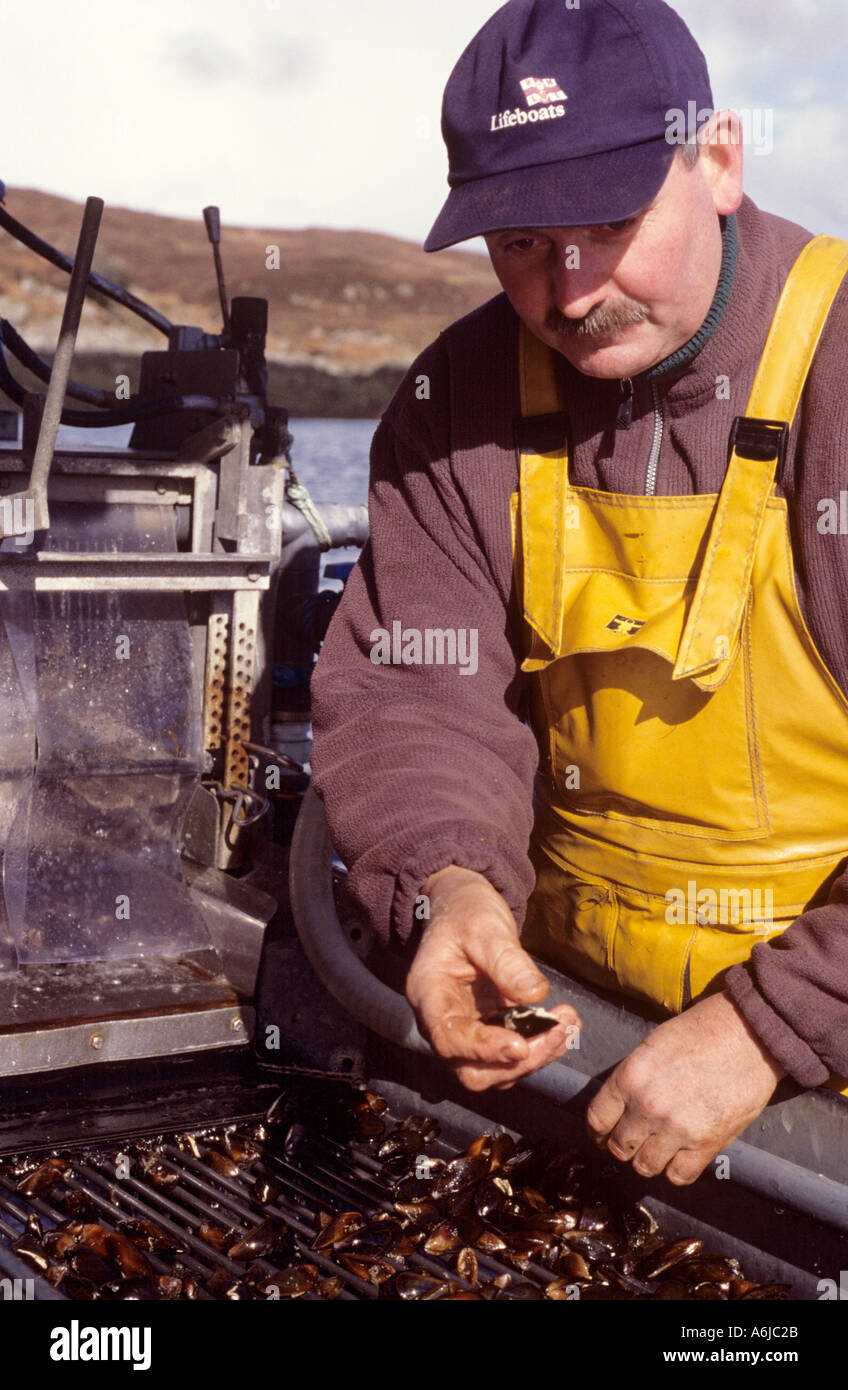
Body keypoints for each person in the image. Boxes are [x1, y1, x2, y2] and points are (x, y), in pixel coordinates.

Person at [310, 0, 848, 1186]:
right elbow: (416, 692)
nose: (566, 292)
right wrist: (447, 887)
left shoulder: (839, 372)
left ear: (716, 155)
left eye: (607, 223)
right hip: (577, 1042)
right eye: (520, 245)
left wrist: (774, 1023)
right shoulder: (455, 397)